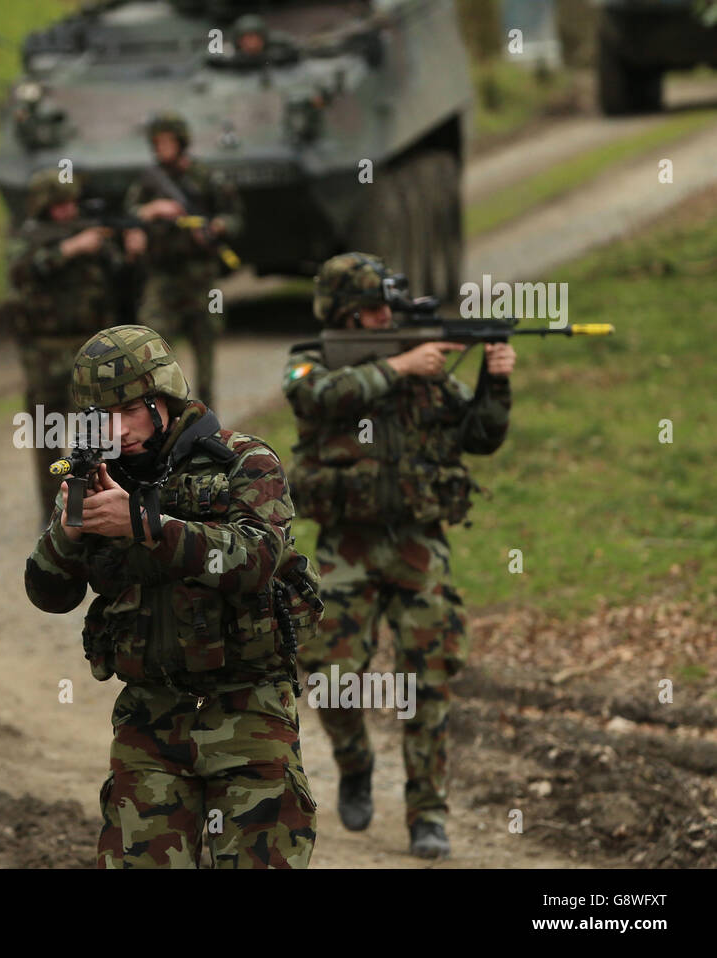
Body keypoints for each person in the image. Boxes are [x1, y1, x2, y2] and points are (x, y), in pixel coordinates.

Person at [25, 325, 319, 868]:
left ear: (163, 398)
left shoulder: (243, 461)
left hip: (248, 708)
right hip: (150, 718)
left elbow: (255, 562)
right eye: (100, 417)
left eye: (128, 410)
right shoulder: (97, 474)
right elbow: (48, 593)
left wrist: (143, 524)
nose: (115, 429)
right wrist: (69, 530)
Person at [283, 252, 516, 859]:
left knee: (428, 681)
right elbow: (313, 397)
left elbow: (481, 437)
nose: (386, 316)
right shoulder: (312, 361)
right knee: (331, 679)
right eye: (372, 310)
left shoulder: (430, 371)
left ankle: (428, 814)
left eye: (389, 308)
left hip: (418, 543)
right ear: (342, 315)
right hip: (346, 546)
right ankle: (355, 762)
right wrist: (398, 365)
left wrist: (496, 379)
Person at [7, 169, 124, 519]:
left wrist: (109, 246)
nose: (67, 212)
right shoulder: (29, 237)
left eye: (71, 204)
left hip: (90, 348)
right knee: (46, 434)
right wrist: (71, 249)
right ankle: (51, 513)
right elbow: (22, 270)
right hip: (44, 350)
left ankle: (95, 507)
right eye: (59, 205)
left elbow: (120, 270)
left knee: (97, 434)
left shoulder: (90, 231)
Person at [122, 111, 242, 411]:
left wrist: (217, 227)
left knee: (205, 349)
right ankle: (163, 411)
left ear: (181, 143)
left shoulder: (205, 177)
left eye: (168, 141)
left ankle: (206, 419)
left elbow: (235, 216)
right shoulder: (150, 181)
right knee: (151, 347)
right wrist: (151, 212)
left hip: (201, 276)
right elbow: (129, 216)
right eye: (157, 142)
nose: (162, 147)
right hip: (163, 275)